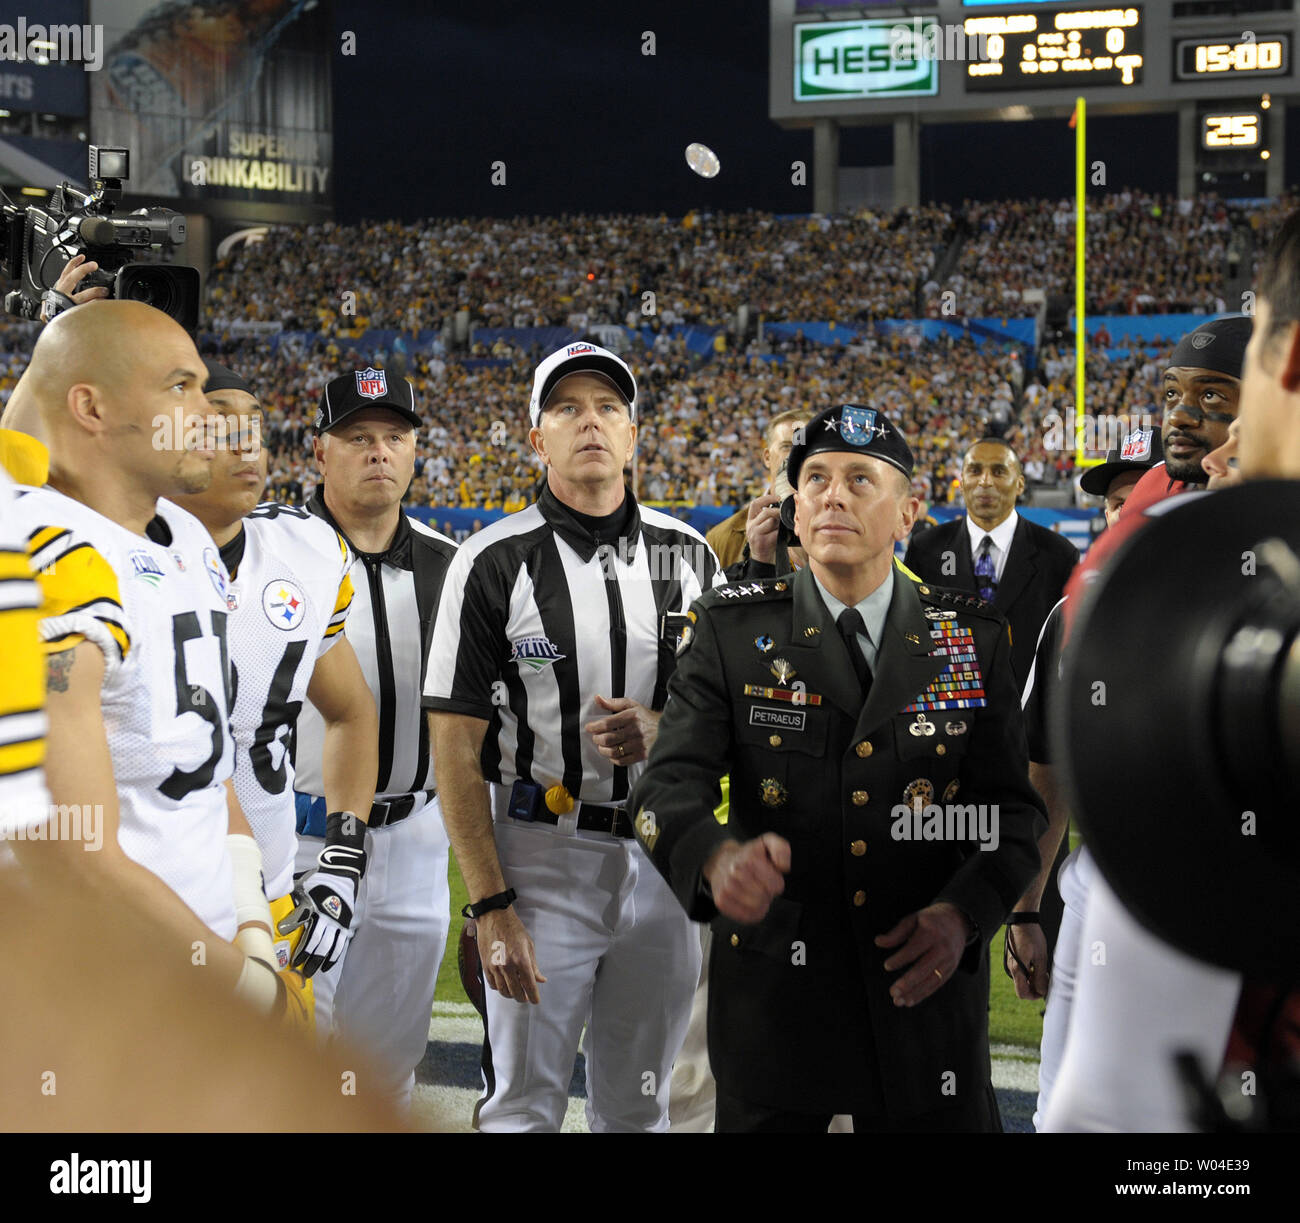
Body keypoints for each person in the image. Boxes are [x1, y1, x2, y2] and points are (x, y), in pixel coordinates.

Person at [630, 402, 1045, 1132]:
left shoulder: (966, 641)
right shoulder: (732, 630)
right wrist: (713, 857)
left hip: (924, 1018)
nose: (831, 494)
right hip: (775, 1015)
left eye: (859, 479)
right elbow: (666, 787)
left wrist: (964, 913)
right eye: (814, 478)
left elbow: (1012, 815)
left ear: (908, 511)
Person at [425, 340, 720, 1132]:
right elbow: (453, 742)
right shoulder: (492, 560)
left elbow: (728, 714)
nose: (590, 422)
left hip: (663, 857)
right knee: (522, 1104)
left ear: (633, 434)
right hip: (542, 853)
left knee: (641, 1107)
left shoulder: (688, 556)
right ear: (537, 437)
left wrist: (669, 727)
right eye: (566, 408)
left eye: (608, 408)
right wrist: (489, 901)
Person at [4, 301, 300, 1021]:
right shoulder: (46, 559)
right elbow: (65, 851)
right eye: (180, 388)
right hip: (97, 996)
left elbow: (207, 771)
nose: (210, 413)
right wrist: (244, 988)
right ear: (91, 407)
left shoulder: (188, 540)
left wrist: (252, 930)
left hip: (200, 958)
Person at [1043, 313, 1263, 1132]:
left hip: (1208, 863)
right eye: (1172, 395)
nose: (1184, 417)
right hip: (1121, 861)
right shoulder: (1151, 511)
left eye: (1214, 398)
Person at [172, 360, 379, 1003]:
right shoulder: (107, 555)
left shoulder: (308, 554)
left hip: (271, 890)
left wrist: (342, 857)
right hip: (142, 895)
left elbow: (350, 713)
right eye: (219, 427)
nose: (245, 447)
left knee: (270, 1100)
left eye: (255, 431)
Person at [292, 367, 459, 1110]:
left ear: (417, 452)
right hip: (296, 835)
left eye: (395, 437)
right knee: (285, 1051)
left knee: (389, 1067)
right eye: (359, 437)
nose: (380, 452)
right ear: (319, 451)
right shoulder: (271, 550)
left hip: (413, 835)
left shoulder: (451, 566)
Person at [1013, 426, 1165, 1130]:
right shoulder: (1070, 615)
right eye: (1113, 504)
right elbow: (1048, 774)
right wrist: (1026, 909)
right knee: (1063, 1112)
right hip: (1095, 888)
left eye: (1143, 498)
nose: (1122, 516)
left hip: (1215, 900)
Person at [904, 438, 1078, 688]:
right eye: (975, 471)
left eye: (998, 471)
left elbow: (1066, 648)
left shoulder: (1059, 555)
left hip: (1027, 717)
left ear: (1019, 484)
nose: (985, 481)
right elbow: (912, 639)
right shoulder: (926, 549)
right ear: (961, 482)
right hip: (950, 711)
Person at [705, 410, 808, 572]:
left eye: (807, 446)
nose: (797, 455)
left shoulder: (841, 530)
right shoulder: (722, 539)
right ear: (767, 457)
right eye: (787, 446)